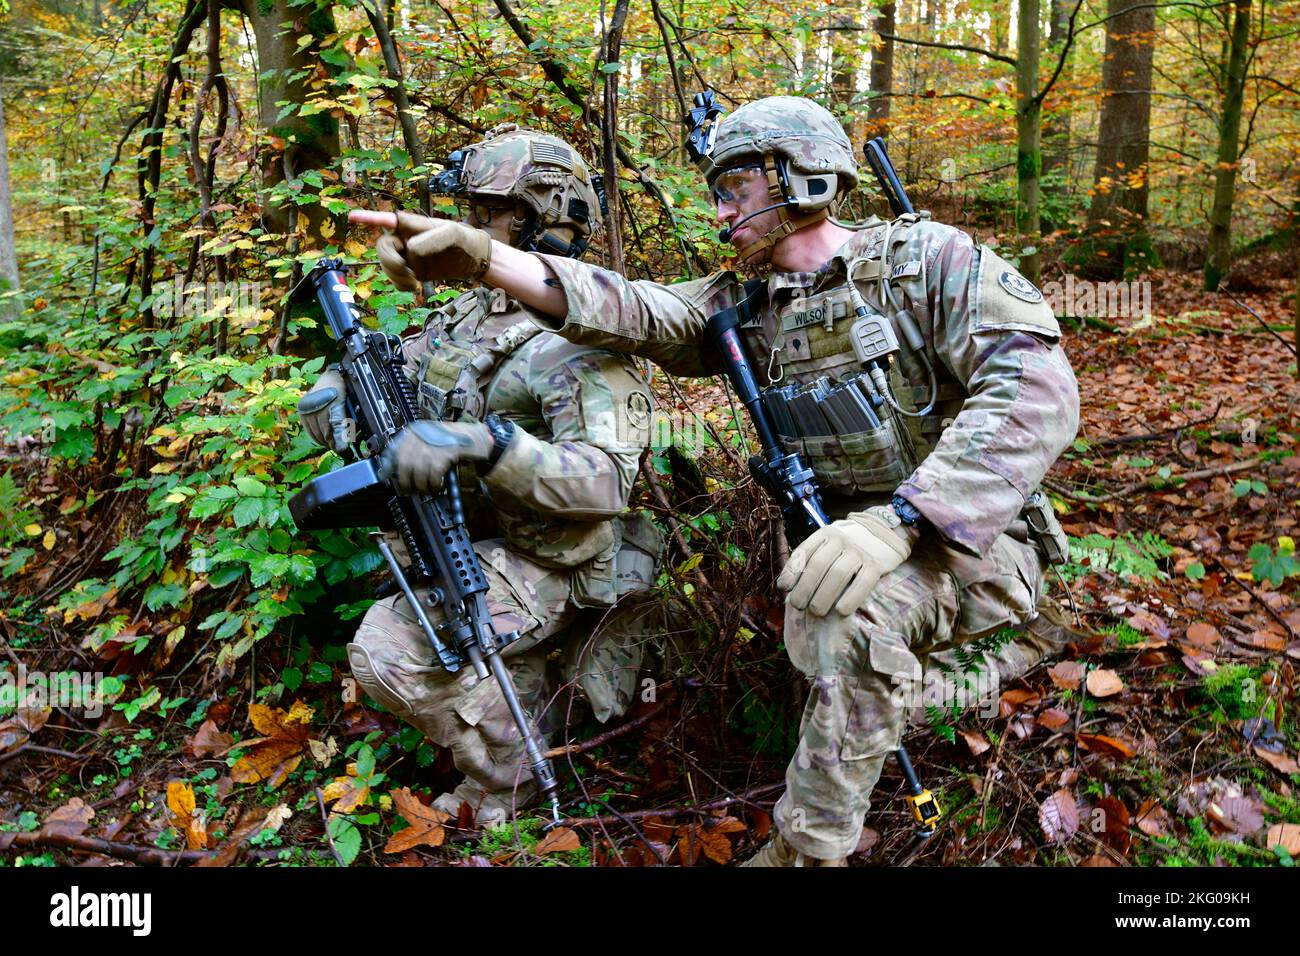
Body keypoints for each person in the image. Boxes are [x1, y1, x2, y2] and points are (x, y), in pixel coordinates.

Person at [353, 96, 1081, 864]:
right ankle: (929, 679)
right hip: (842, 540)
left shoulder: (931, 260)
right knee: (825, 619)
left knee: (845, 617)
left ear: (801, 177)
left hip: (972, 538)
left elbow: (1036, 392)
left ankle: (810, 847)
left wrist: (898, 521)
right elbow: (634, 310)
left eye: (735, 184)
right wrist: (484, 257)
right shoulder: (744, 304)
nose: (720, 206)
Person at [301, 124, 663, 827]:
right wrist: (333, 396)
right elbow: (392, 372)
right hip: (476, 540)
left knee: (385, 653)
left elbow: (604, 483)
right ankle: (521, 703)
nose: (462, 226)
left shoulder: (577, 336)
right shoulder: (471, 312)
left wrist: (485, 445)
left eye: (481, 212)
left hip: (552, 558)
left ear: (536, 217)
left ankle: (513, 773)